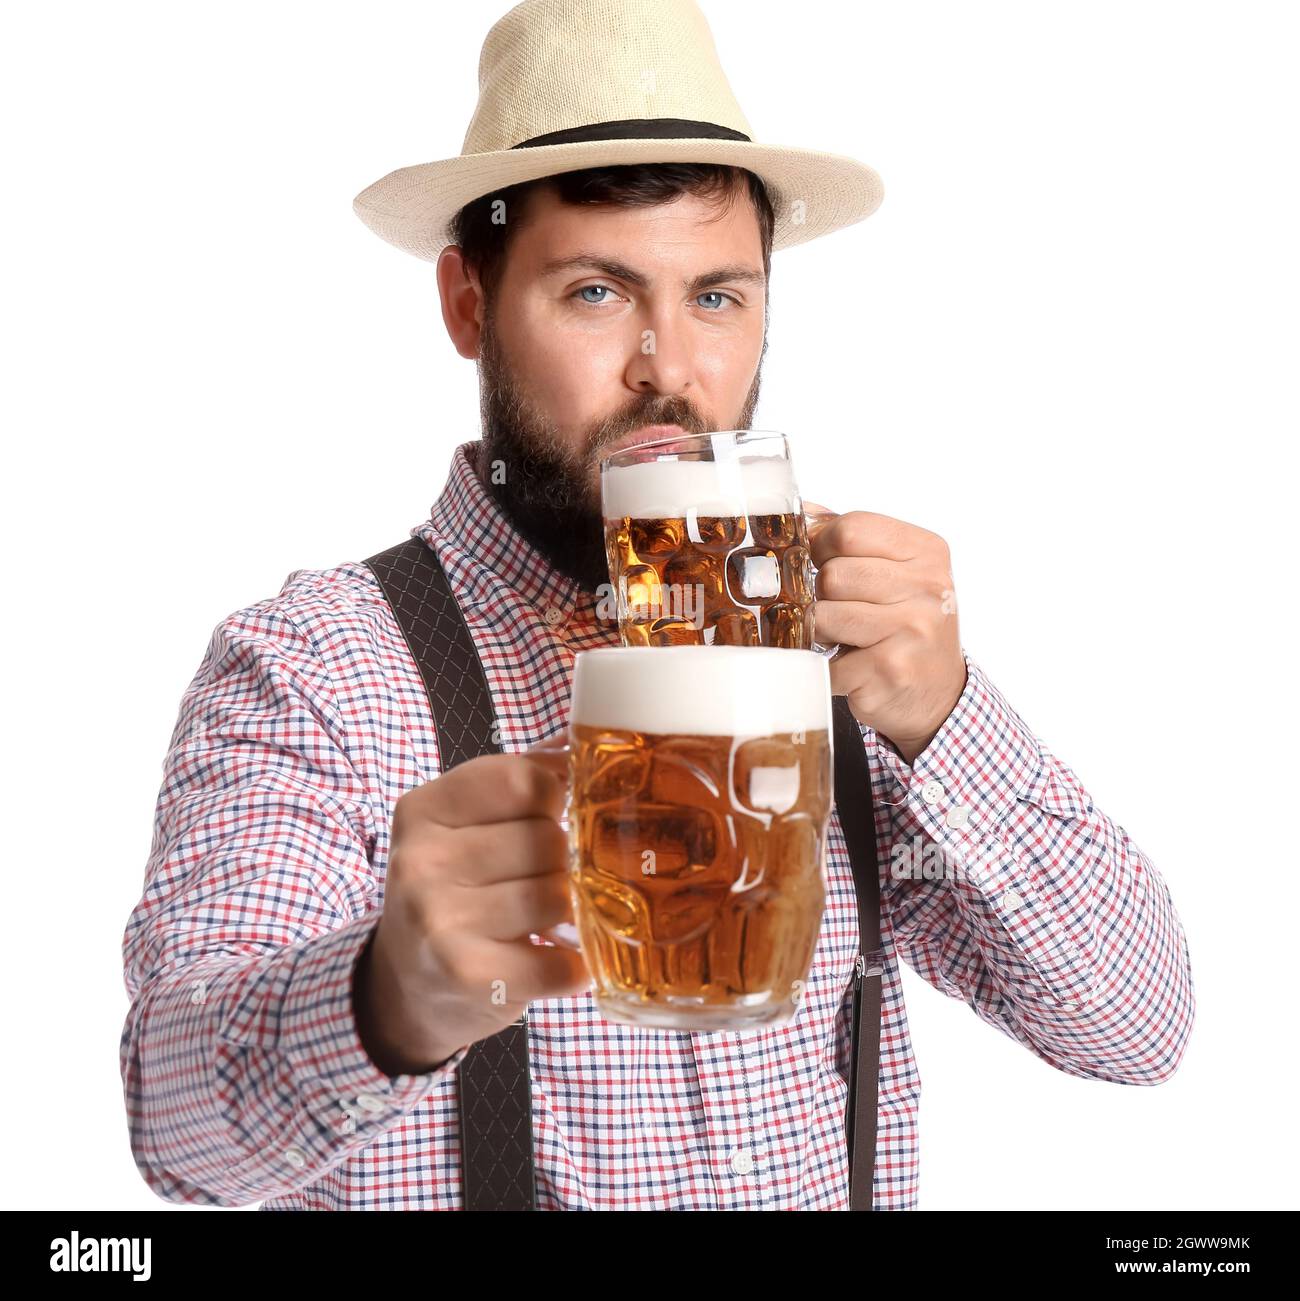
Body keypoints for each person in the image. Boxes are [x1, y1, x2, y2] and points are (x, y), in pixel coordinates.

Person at [119, 0, 1194, 1211]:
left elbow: (1138, 1026)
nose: (668, 367)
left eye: (718, 298)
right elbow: (173, 1120)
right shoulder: (320, 662)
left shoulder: (836, 658)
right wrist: (386, 997)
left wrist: (947, 714)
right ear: (469, 303)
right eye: (595, 292)